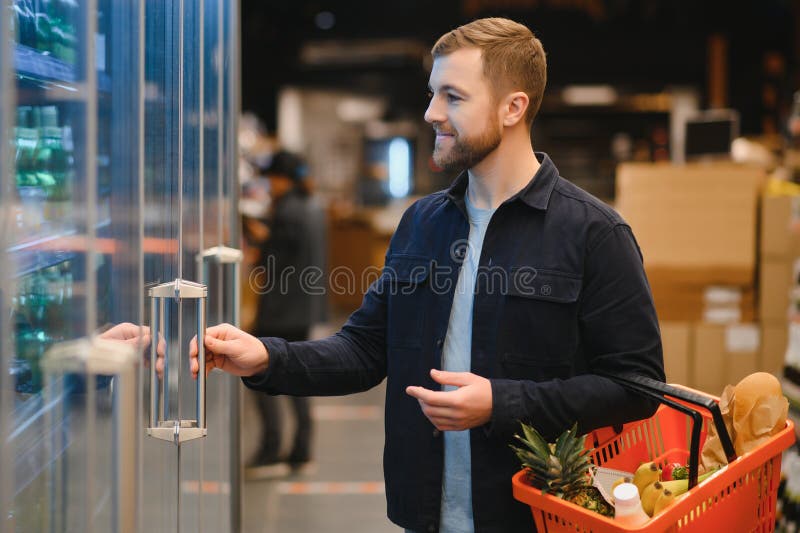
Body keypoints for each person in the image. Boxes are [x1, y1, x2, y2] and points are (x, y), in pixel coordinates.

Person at [188, 17, 664, 532]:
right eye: (432, 93)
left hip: (533, 517)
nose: (431, 112)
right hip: (425, 515)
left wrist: (500, 403)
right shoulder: (422, 222)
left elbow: (637, 386)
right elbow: (365, 350)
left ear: (513, 107)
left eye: (453, 97)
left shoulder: (595, 234)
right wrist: (265, 355)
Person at [243, 150, 327, 476]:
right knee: (298, 379)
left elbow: (269, 261)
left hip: (280, 309)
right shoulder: (311, 205)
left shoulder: (287, 210)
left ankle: (271, 450)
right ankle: (301, 451)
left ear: (281, 178)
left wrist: (258, 238)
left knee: (260, 377)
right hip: (303, 308)